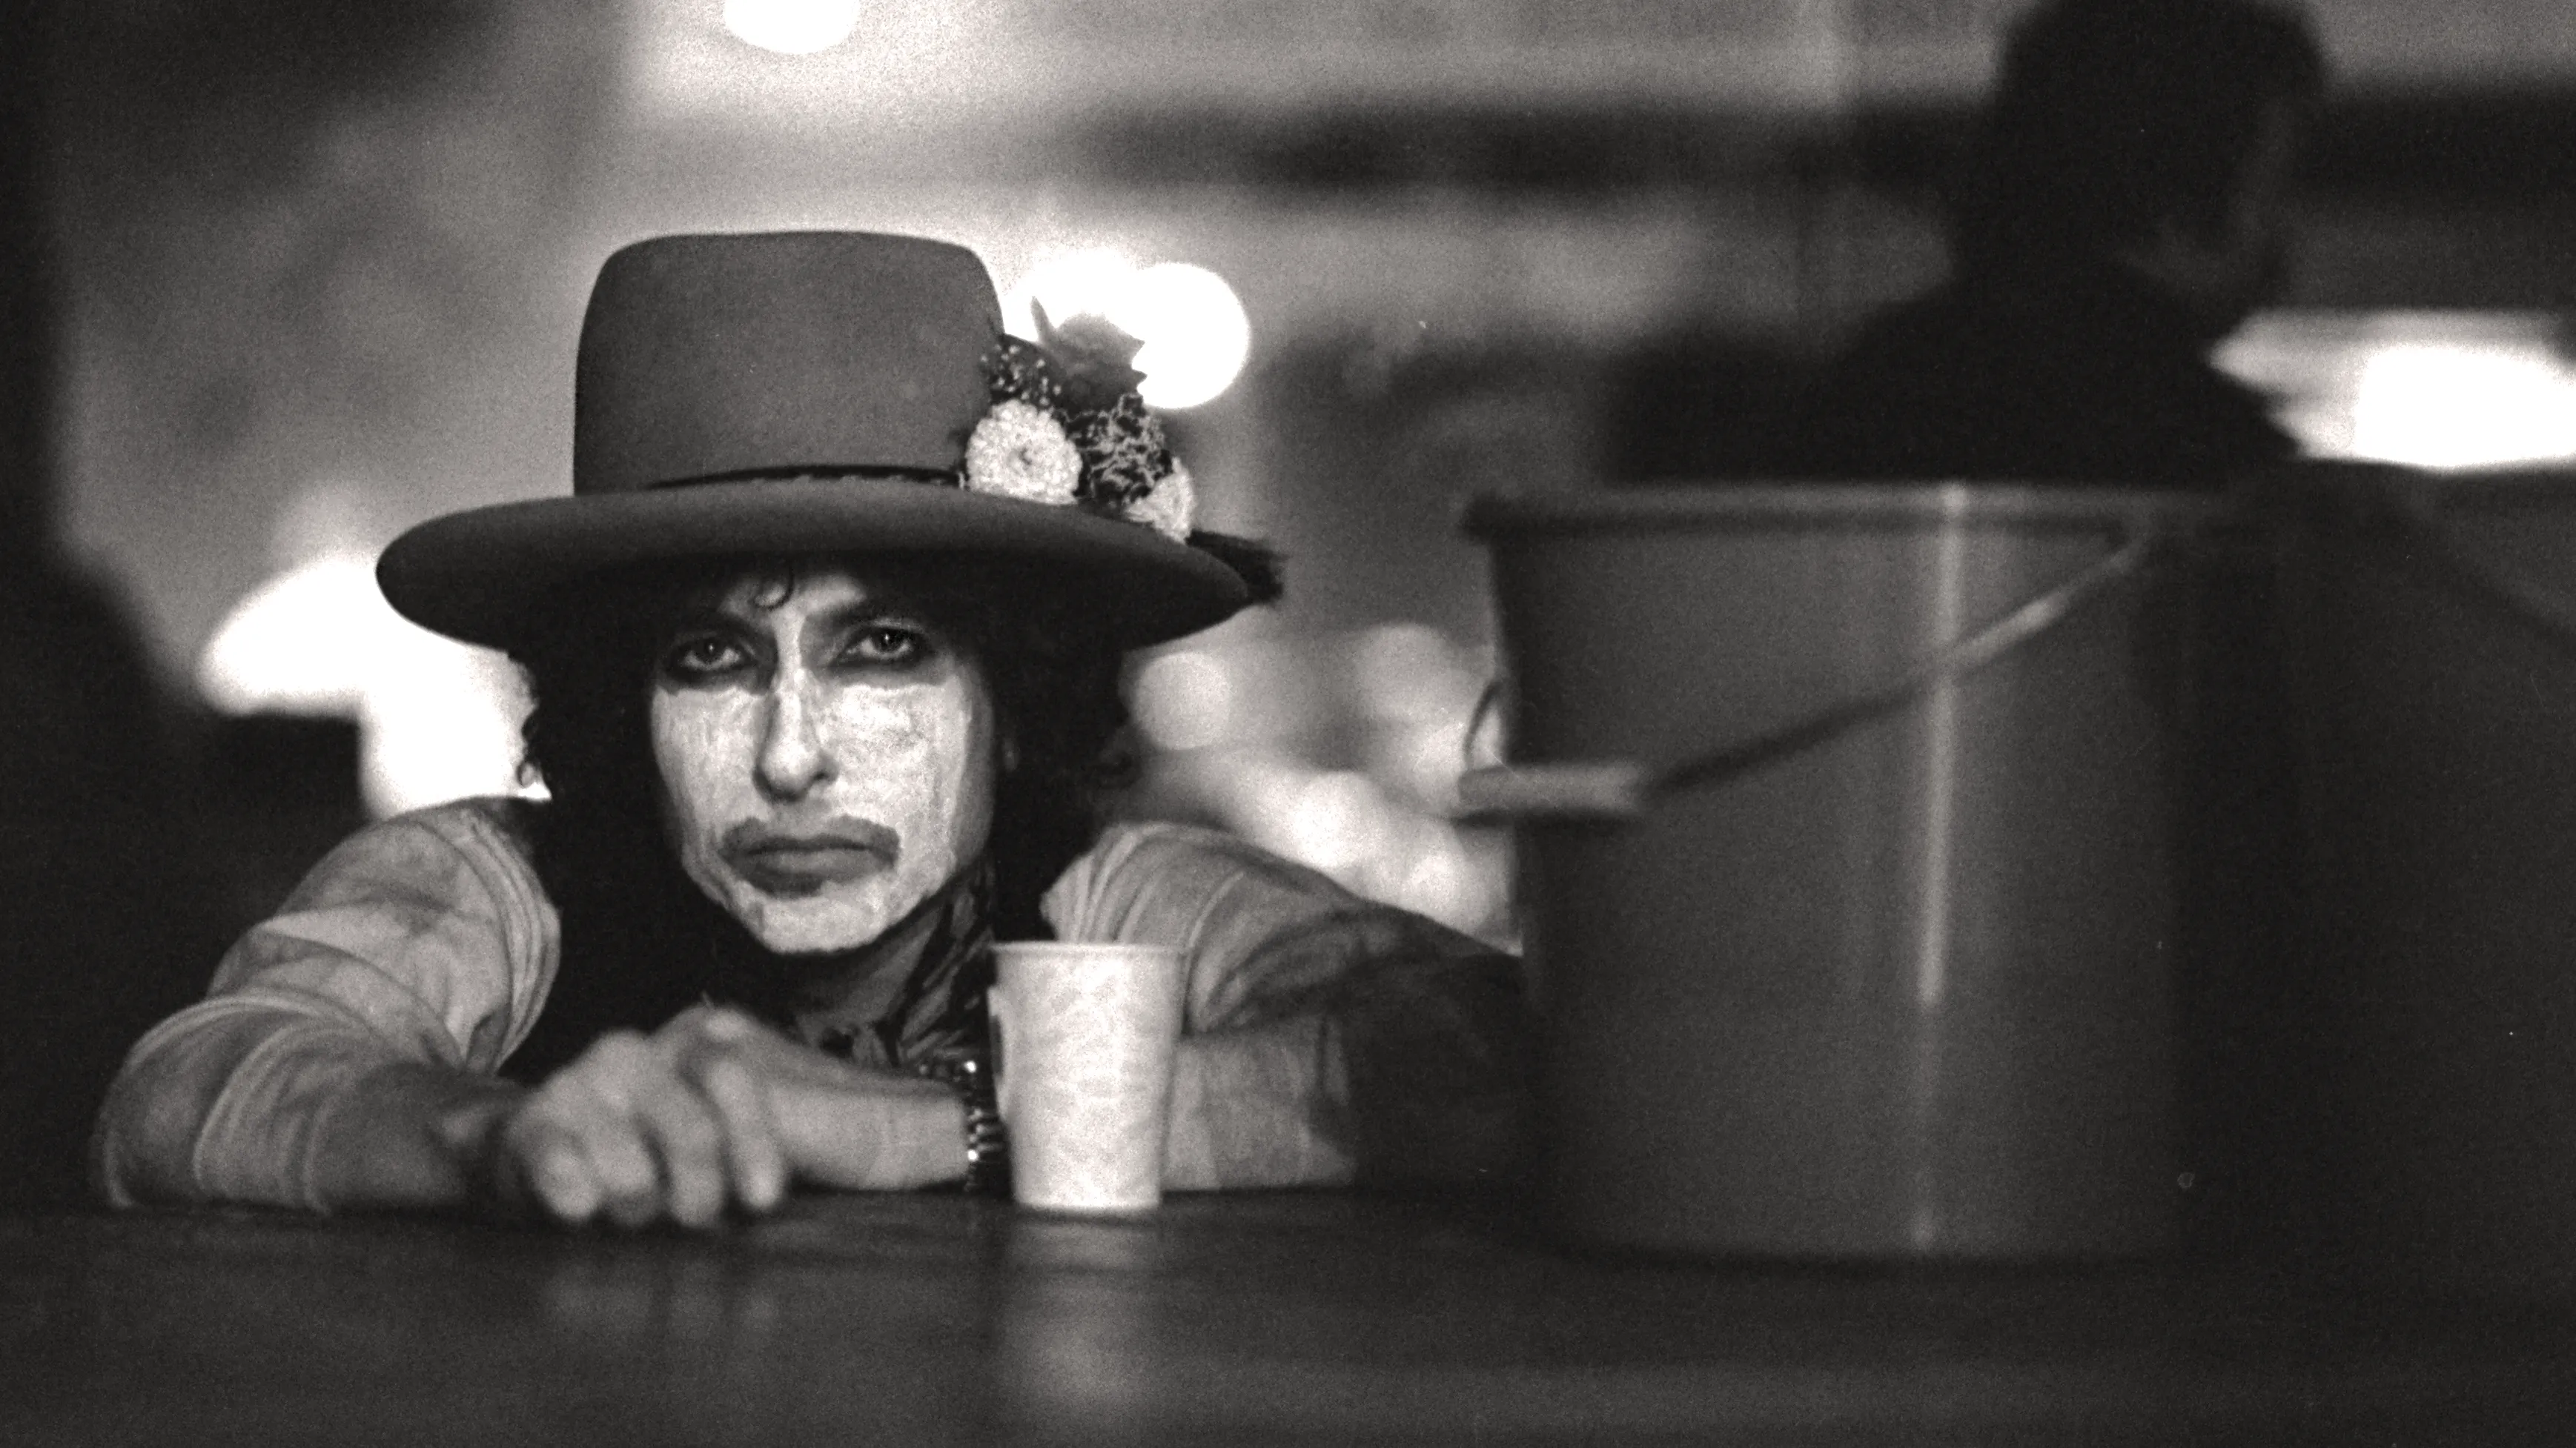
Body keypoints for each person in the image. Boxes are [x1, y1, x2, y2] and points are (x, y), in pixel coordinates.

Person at [93, 230, 1529, 1227]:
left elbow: (1512, 1060)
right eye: (710, 658)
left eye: (884, 650)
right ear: (617, 699)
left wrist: (919, 1125)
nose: (790, 755)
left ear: (1013, 693)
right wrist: (494, 1138)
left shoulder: (1119, 905)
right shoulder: (496, 889)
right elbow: (185, 1088)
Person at [1786, 0, 2326, 485]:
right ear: (2179, 207)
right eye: (2273, 188)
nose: (2284, 230)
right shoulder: (2202, 447)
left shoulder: (1863, 391)